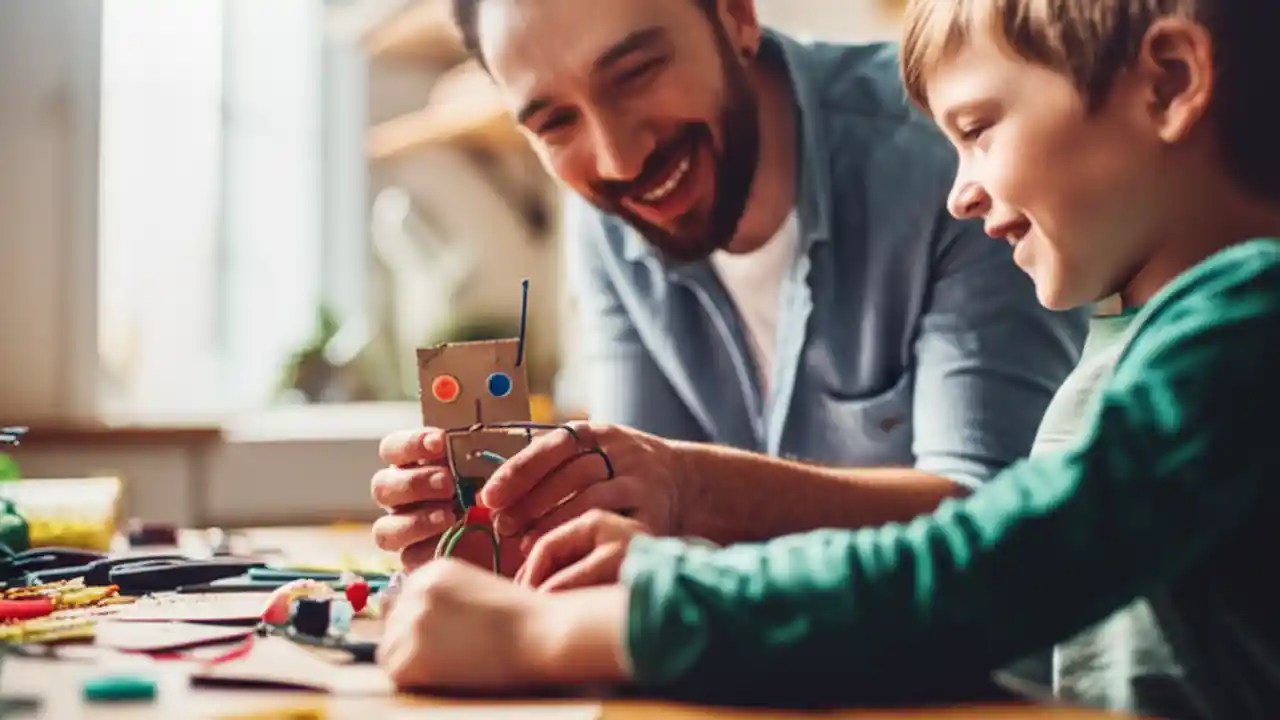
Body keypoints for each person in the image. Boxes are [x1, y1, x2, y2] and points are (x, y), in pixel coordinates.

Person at [375, 0, 1280, 716]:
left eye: (978, 128)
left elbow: (983, 567)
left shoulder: (1242, 329)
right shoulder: (1140, 330)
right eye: (556, 120)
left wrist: (558, 634)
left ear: (1168, 82)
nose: (959, 190)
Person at [370, 0, 1086, 573]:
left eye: (636, 72)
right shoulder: (608, 213)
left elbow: (996, 523)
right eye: (556, 121)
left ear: (736, 17)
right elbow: (636, 533)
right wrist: (518, 540)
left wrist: (691, 489)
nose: (618, 159)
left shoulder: (949, 153)